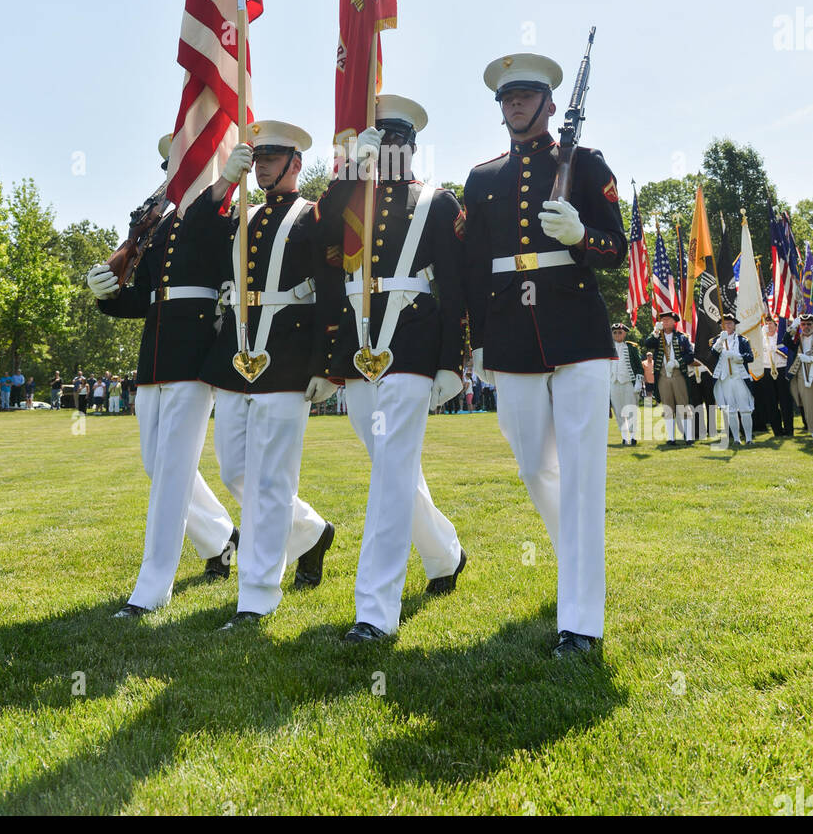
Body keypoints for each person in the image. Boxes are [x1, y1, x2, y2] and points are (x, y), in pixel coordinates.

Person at [464, 52, 626, 659]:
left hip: (578, 331)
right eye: (507, 98)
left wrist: (582, 236)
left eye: (527, 95)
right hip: (510, 334)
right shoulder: (482, 181)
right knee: (535, 466)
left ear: (551, 103)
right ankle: (574, 555)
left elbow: (618, 251)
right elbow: (476, 268)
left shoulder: (583, 165)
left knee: (583, 475)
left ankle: (580, 620)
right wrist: (476, 342)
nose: (515, 104)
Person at [312, 96, 467, 644]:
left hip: (414, 340)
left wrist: (453, 360)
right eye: (382, 143)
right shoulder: (355, 203)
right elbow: (317, 229)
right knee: (392, 465)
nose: (390, 153)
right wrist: (352, 170)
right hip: (359, 345)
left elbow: (455, 287)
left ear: (413, 147)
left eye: (398, 142)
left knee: (390, 472)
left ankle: (375, 612)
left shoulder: (437, 202)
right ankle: (446, 553)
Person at [187, 122, 338, 628]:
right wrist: (224, 184)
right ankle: (312, 532)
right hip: (235, 356)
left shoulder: (314, 216)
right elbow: (194, 233)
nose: (263, 164)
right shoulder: (239, 215)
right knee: (235, 471)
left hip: (289, 358)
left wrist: (327, 363)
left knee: (272, 482)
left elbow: (332, 294)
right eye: (257, 156)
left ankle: (256, 596)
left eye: (273, 157)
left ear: (296, 163)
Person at [86, 135, 240, 617]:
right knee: (159, 465)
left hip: (195, 351)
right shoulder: (155, 223)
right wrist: (106, 294)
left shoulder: (222, 214)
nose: (171, 172)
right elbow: (146, 296)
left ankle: (151, 589)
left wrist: (229, 182)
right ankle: (221, 538)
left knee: (171, 470)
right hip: (154, 353)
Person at [642, 312, 695, 445]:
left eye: (668, 320)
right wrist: (655, 331)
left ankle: (688, 437)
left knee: (683, 405)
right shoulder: (657, 337)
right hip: (663, 375)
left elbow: (690, 355)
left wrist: (678, 362)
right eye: (663, 320)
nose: (665, 322)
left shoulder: (682, 338)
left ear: (674, 322)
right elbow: (647, 343)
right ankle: (671, 438)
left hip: (678, 374)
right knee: (667, 407)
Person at [710, 310, 755, 446]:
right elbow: (713, 354)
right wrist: (721, 340)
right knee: (730, 410)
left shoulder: (743, 340)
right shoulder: (716, 341)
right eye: (724, 324)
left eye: (730, 323)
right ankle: (736, 438)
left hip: (739, 378)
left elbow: (750, 357)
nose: (727, 326)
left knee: (745, 409)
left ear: (734, 325)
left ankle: (748, 438)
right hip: (725, 379)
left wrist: (737, 357)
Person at [760, 318, 794, 437]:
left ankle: (789, 429)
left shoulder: (781, 337)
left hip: (781, 369)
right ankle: (777, 431)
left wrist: (777, 348)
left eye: (771, 323)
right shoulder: (761, 338)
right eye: (766, 323)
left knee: (785, 401)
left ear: (776, 325)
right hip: (767, 370)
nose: (768, 325)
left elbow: (788, 353)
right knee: (771, 402)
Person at [609, 323, 642, 446]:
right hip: (614, 382)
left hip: (628, 382)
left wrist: (638, 382)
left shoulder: (631, 348)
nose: (617, 334)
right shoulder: (608, 348)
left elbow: (639, 366)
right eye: (615, 332)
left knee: (631, 410)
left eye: (620, 332)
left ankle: (633, 436)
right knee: (618, 411)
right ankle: (624, 437)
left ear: (625, 333)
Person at [786, 314, 813, 435]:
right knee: (808, 405)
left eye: (809, 324)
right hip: (803, 375)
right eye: (803, 324)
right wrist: (793, 326)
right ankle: (812, 430)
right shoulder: (797, 340)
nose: (806, 327)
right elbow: (785, 341)